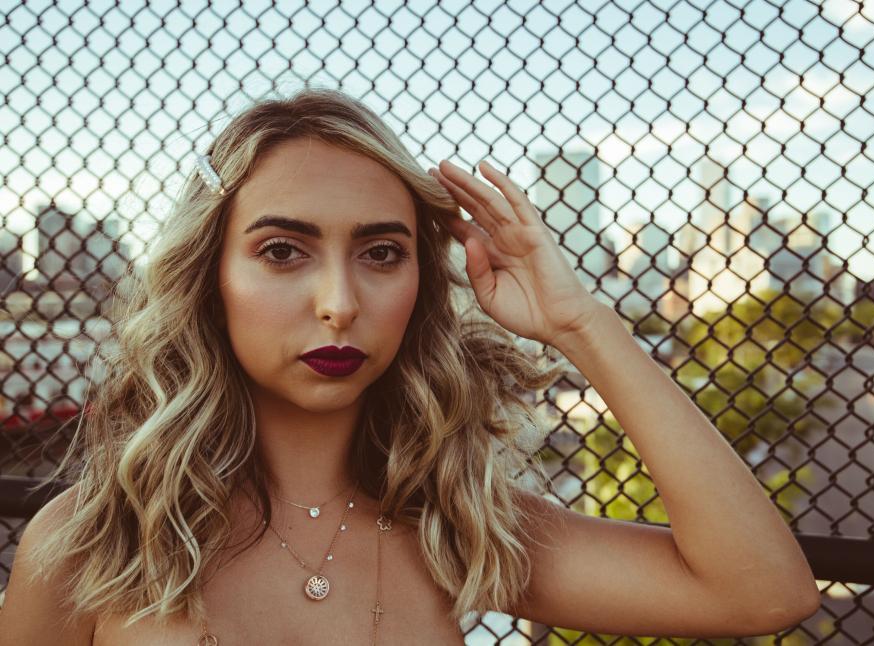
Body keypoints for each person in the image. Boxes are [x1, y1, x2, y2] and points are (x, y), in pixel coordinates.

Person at [0, 87, 820, 645]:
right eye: (283, 251)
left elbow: (763, 593)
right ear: (211, 278)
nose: (339, 303)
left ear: (419, 282)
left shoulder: (460, 528)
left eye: (381, 252)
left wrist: (580, 323)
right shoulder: (87, 543)